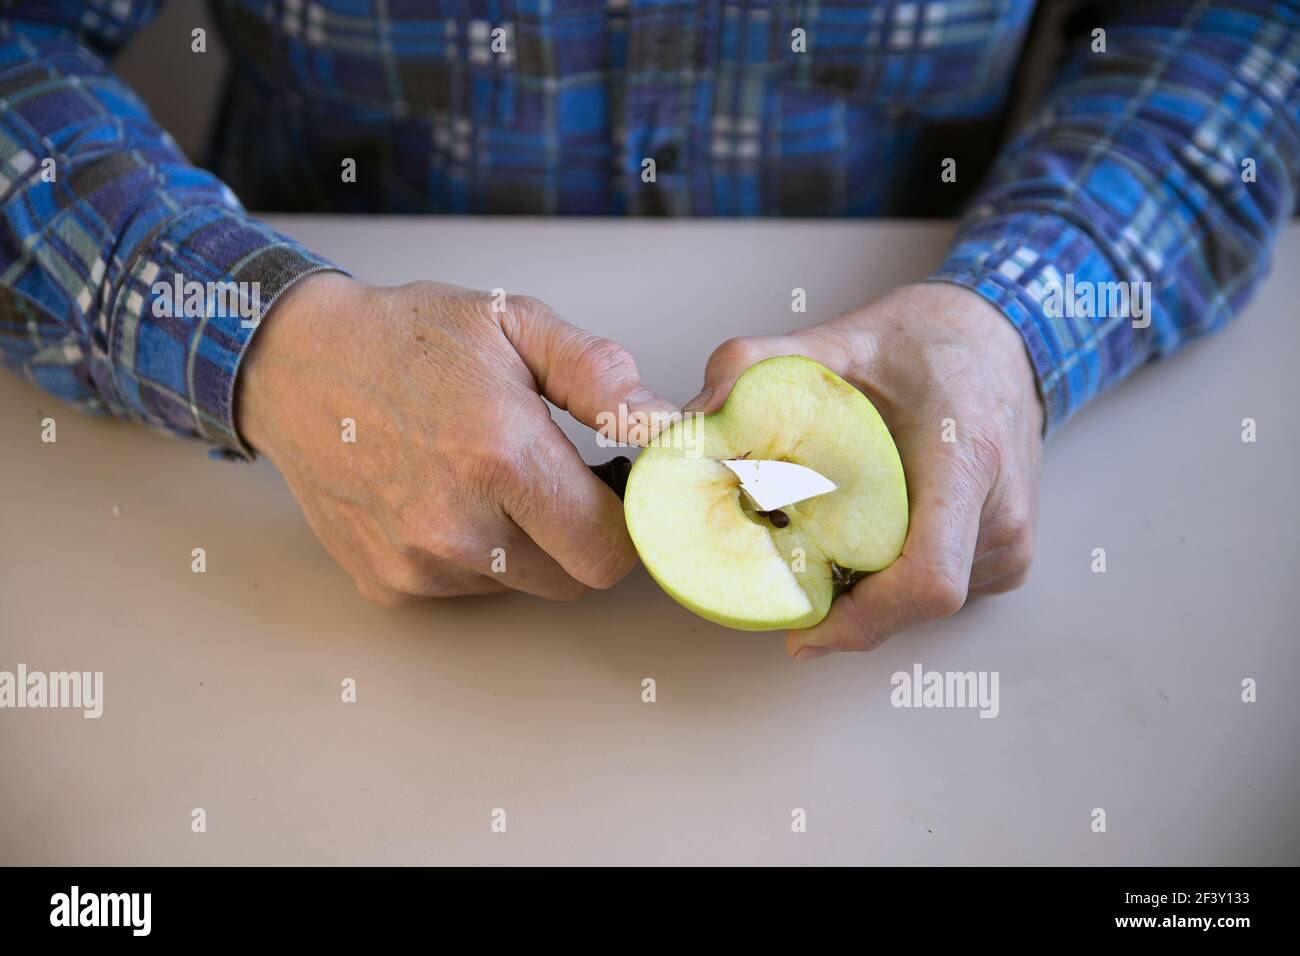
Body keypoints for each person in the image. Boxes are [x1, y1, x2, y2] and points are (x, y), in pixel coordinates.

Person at [2, 2, 1297, 659]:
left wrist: (1022, 314)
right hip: (312, 379)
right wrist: (264, 333)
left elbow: (1234, 26)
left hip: (906, 271)